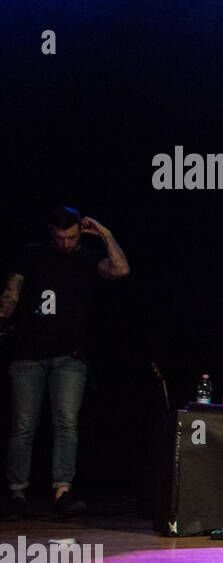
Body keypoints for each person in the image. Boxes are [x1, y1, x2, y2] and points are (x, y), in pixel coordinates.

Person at [1, 207, 130, 518]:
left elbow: (121, 270)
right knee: (23, 425)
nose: (66, 243)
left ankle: (62, 491)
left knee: (66, 424)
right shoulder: (31, 254)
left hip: (69, 356)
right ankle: (16, 492)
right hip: (27, 354)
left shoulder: (85, 257)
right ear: (51, 233)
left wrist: (105, 234)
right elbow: (11, 293)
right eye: (60, 238)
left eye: (71, 237)